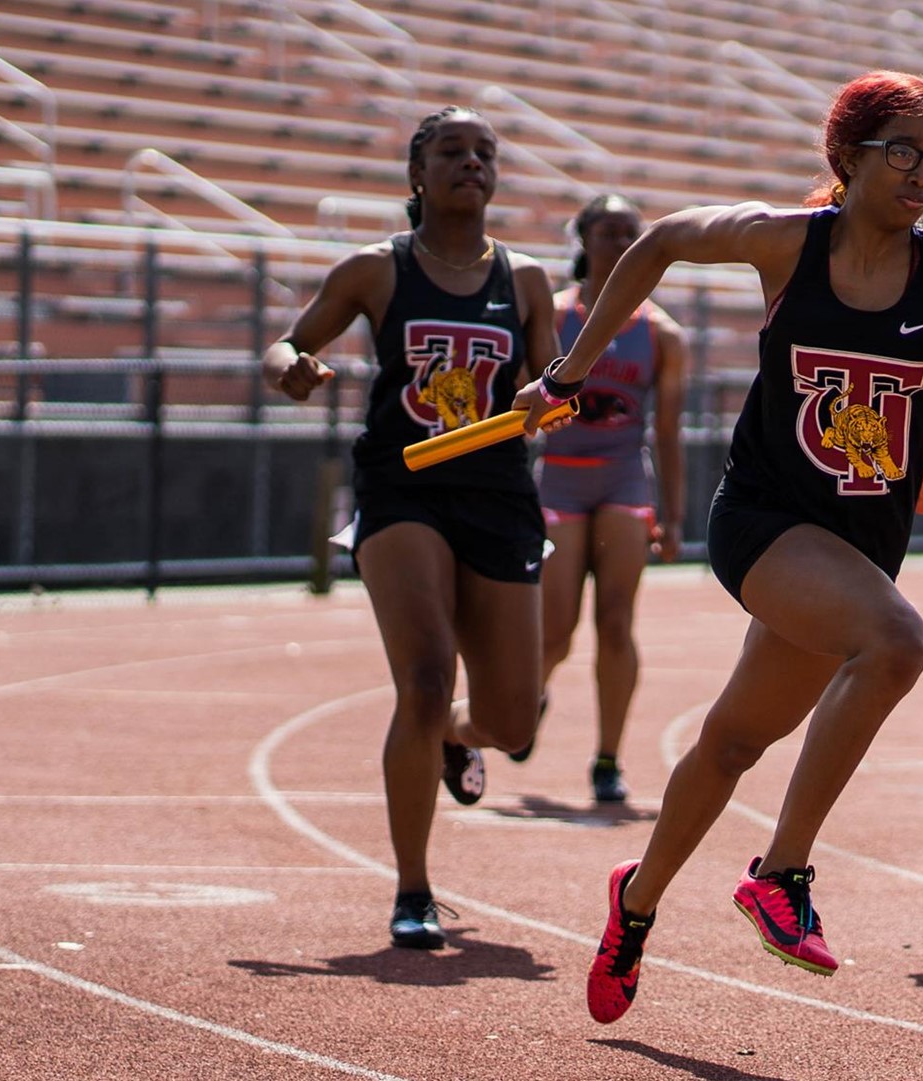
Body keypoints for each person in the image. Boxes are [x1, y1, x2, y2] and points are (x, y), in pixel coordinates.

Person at [511, 71, 923, 1024]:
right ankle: (781, 872)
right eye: (903, 152)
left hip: (861, 541)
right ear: (847, 158)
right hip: (762, 519)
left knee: (733, 740)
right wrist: (567, 374)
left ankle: (633, 904)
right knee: (899, 645)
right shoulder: (789, 243)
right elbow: (661, 240)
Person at [262, 106, 559, 950]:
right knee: (425, 679)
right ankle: (414, 887)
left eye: (485, 154)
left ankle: (456, 741)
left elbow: (551, 379)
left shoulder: (526, 278)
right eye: (452, 151)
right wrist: (295, 370)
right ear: (417, 174)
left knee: (512, 722)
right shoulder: (376, 270)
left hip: (498, 494)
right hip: (405, 487)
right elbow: (283, 345)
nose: (472, 164)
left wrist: (551, 401)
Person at [528, 193, 688, 803]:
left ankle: (607, 758)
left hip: (624, 479)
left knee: (617, 622)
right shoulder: (553, 315)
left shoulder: (661, 334)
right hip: (562, 477)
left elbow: (668, 433)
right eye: (608, 233)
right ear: (584, 240)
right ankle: (529, 702)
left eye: (630, 234)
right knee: (556, 630)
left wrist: (672, 517)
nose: (620, 244)